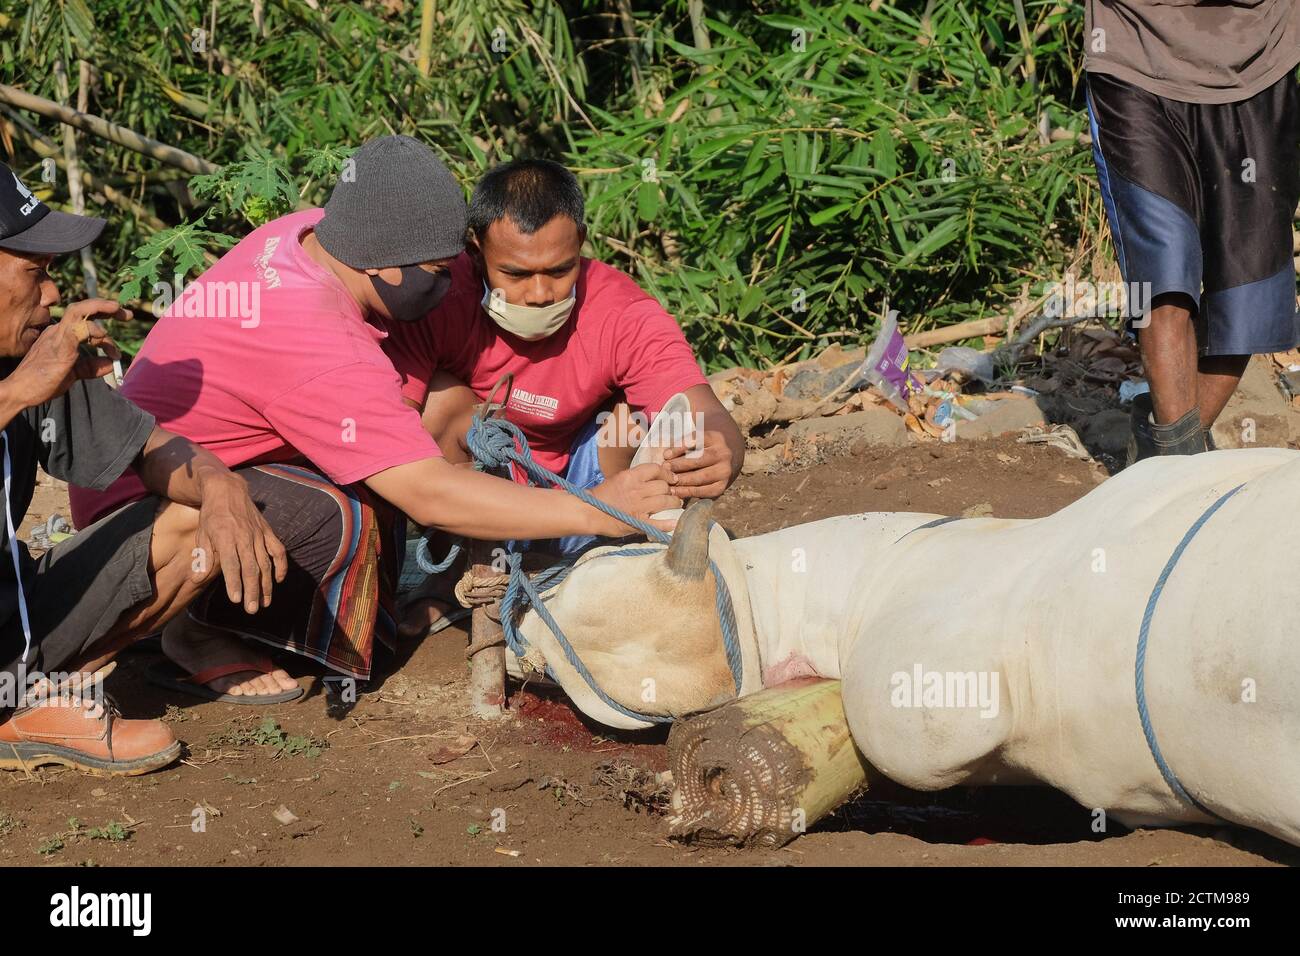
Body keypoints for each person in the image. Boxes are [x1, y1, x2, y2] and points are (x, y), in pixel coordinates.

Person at [70, 136, 677, 702]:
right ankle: (190, 626)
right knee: (340, 517)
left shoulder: (306, 237)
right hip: (141, 518)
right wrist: (597, 507)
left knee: (435, 411)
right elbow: (429, 494)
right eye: (441, 274)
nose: (451, 288)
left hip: (161, 473)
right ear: (386, 268)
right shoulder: (318, 339)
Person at [0, 161, 290, 773]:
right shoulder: (27, 375)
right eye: (34, 271)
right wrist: (20, 392)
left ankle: (29, 700)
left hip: (14, 614)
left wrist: (218, 485)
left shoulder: (31, 354)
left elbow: (153, 451)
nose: (52, 293)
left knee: (197, 521)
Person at [382, 159, 744, 635]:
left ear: (581, 246)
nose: (538, 294)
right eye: (514, 273)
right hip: (479, 488)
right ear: (475, 252)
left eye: (559, 270)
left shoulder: (624, 312)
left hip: (594, 482)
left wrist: (717, 451)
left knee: (635, 423)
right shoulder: (440, 299)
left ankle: (606, 560)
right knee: (437, 407)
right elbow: (387, 430)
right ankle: (457, 569)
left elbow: (701, 413)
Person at [1083, 1, 1300, 462]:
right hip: (1135, 60)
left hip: (1261, 62)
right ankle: (1177, 473)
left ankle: (1166, 443)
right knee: (1162, 279)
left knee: (1249, 304)